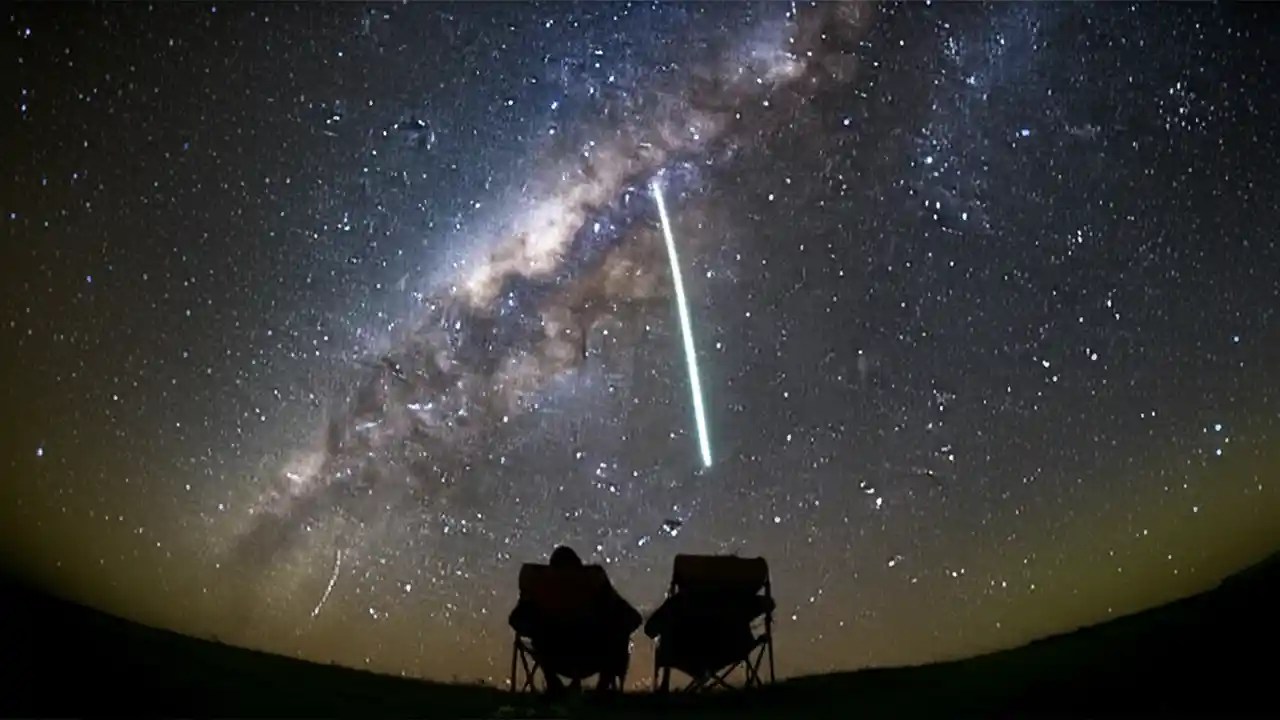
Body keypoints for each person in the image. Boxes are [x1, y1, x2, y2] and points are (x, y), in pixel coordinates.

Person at [509, 546, 641, 694]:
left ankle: (553, 683)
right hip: (593, 653)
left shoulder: (539, 588)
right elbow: (633, 618)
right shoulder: (594, 582)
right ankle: (602, 689)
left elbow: (516, 620)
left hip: (552, 654)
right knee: (619, 629)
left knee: (538, 628)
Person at [644, 585, 774, 689]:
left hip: (686, 653)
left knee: (665, 640)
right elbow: (769, 603)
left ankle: (664, 687)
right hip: (729, 650)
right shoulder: (733, 600)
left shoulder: (679, 602)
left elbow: (650, 630)